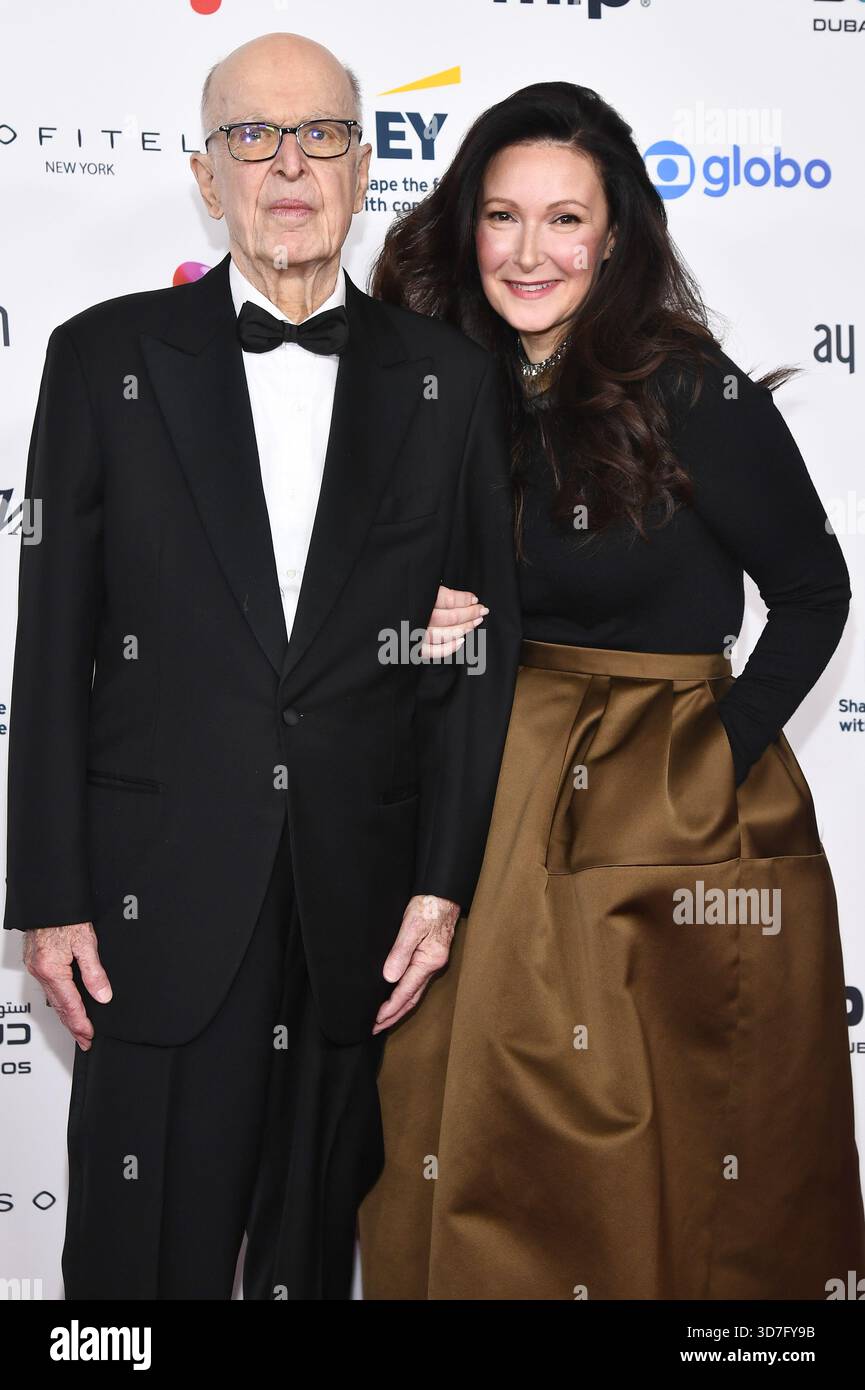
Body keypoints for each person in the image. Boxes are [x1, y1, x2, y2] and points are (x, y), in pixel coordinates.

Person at [2, 32, 521, 1300]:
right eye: (252, 136)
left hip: (354, 909)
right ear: (204, 171)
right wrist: (49, 896)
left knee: (307, 1259)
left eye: (322, 135)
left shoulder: (451, 382)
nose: (289, 164)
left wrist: (441, 883)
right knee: (133, 1278)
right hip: (154, 905)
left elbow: (470, 661)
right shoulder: (101, 358)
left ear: (362, 168)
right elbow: (52, 636)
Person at [359, 81, 865, 1299]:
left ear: (617, 236)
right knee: (455, 1113)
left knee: (661, 1135)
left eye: (564, 220)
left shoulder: (690, 389)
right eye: (501, 217)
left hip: (668, 810)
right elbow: (391, 616)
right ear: (464, 227)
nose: (529, 252)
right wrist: (416, 634)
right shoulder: (440, 389)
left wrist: (707, 758)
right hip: (486, 790)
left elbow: (813, 592)